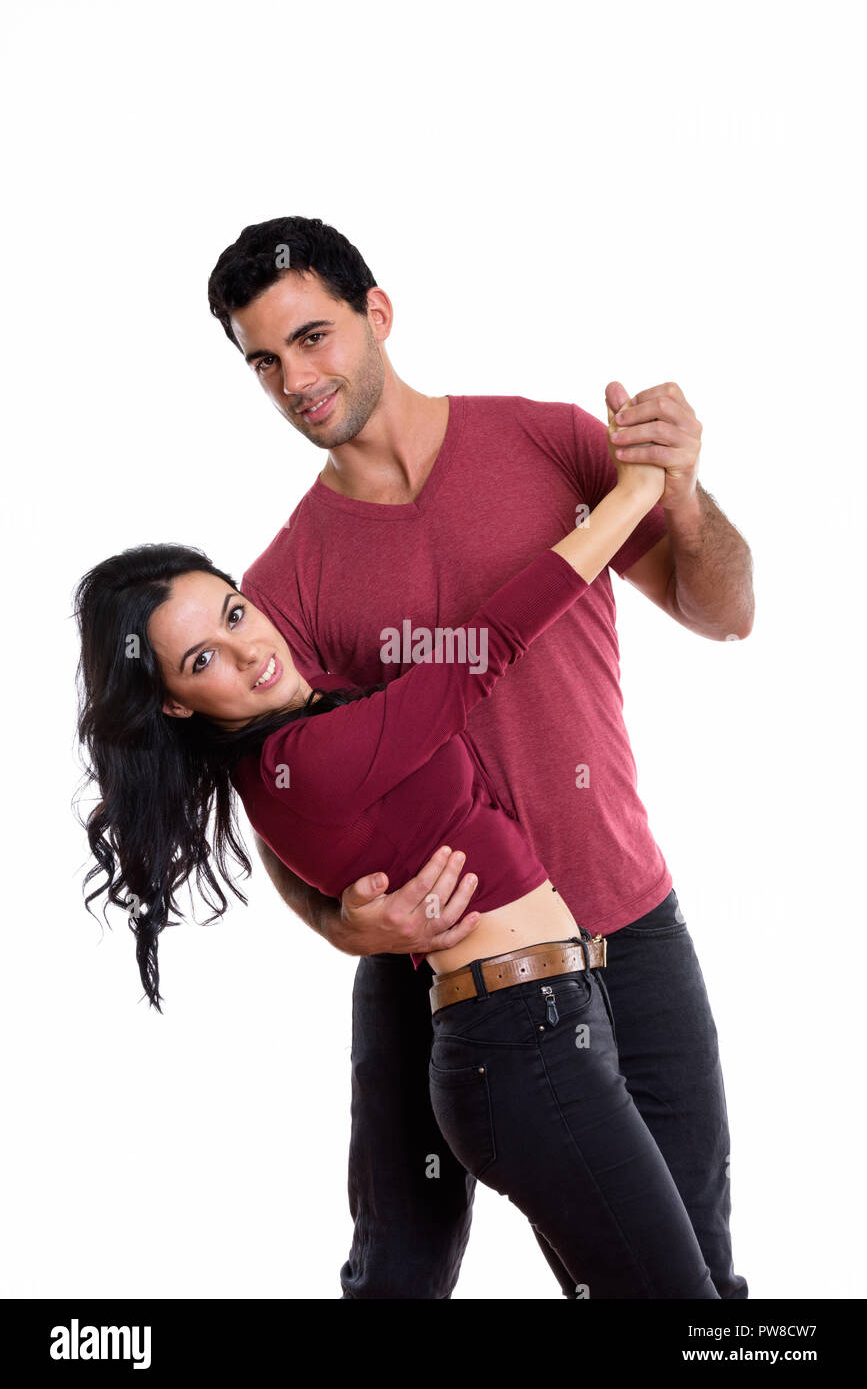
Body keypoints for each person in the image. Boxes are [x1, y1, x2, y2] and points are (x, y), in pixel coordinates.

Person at [199, 216, 754, 1300]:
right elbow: (274, 794)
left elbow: (726, 609)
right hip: (439, 967)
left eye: (312, 338)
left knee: (694, 1283)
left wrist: (681, 486)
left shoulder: (545, 441)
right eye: (264, 361)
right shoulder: (283, 585)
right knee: (399, 1276)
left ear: (379, 313)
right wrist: (340, 923)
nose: (295, 381)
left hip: (630, 926)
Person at [75, 447, 722, 1297]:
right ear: (174, 703)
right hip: (521, 1045)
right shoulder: (305, 760)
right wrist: (632, 496)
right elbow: (484, 650)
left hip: (551, 1017)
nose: (245, 653)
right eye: (200, 662)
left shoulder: (309, 718)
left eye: (234, 616)